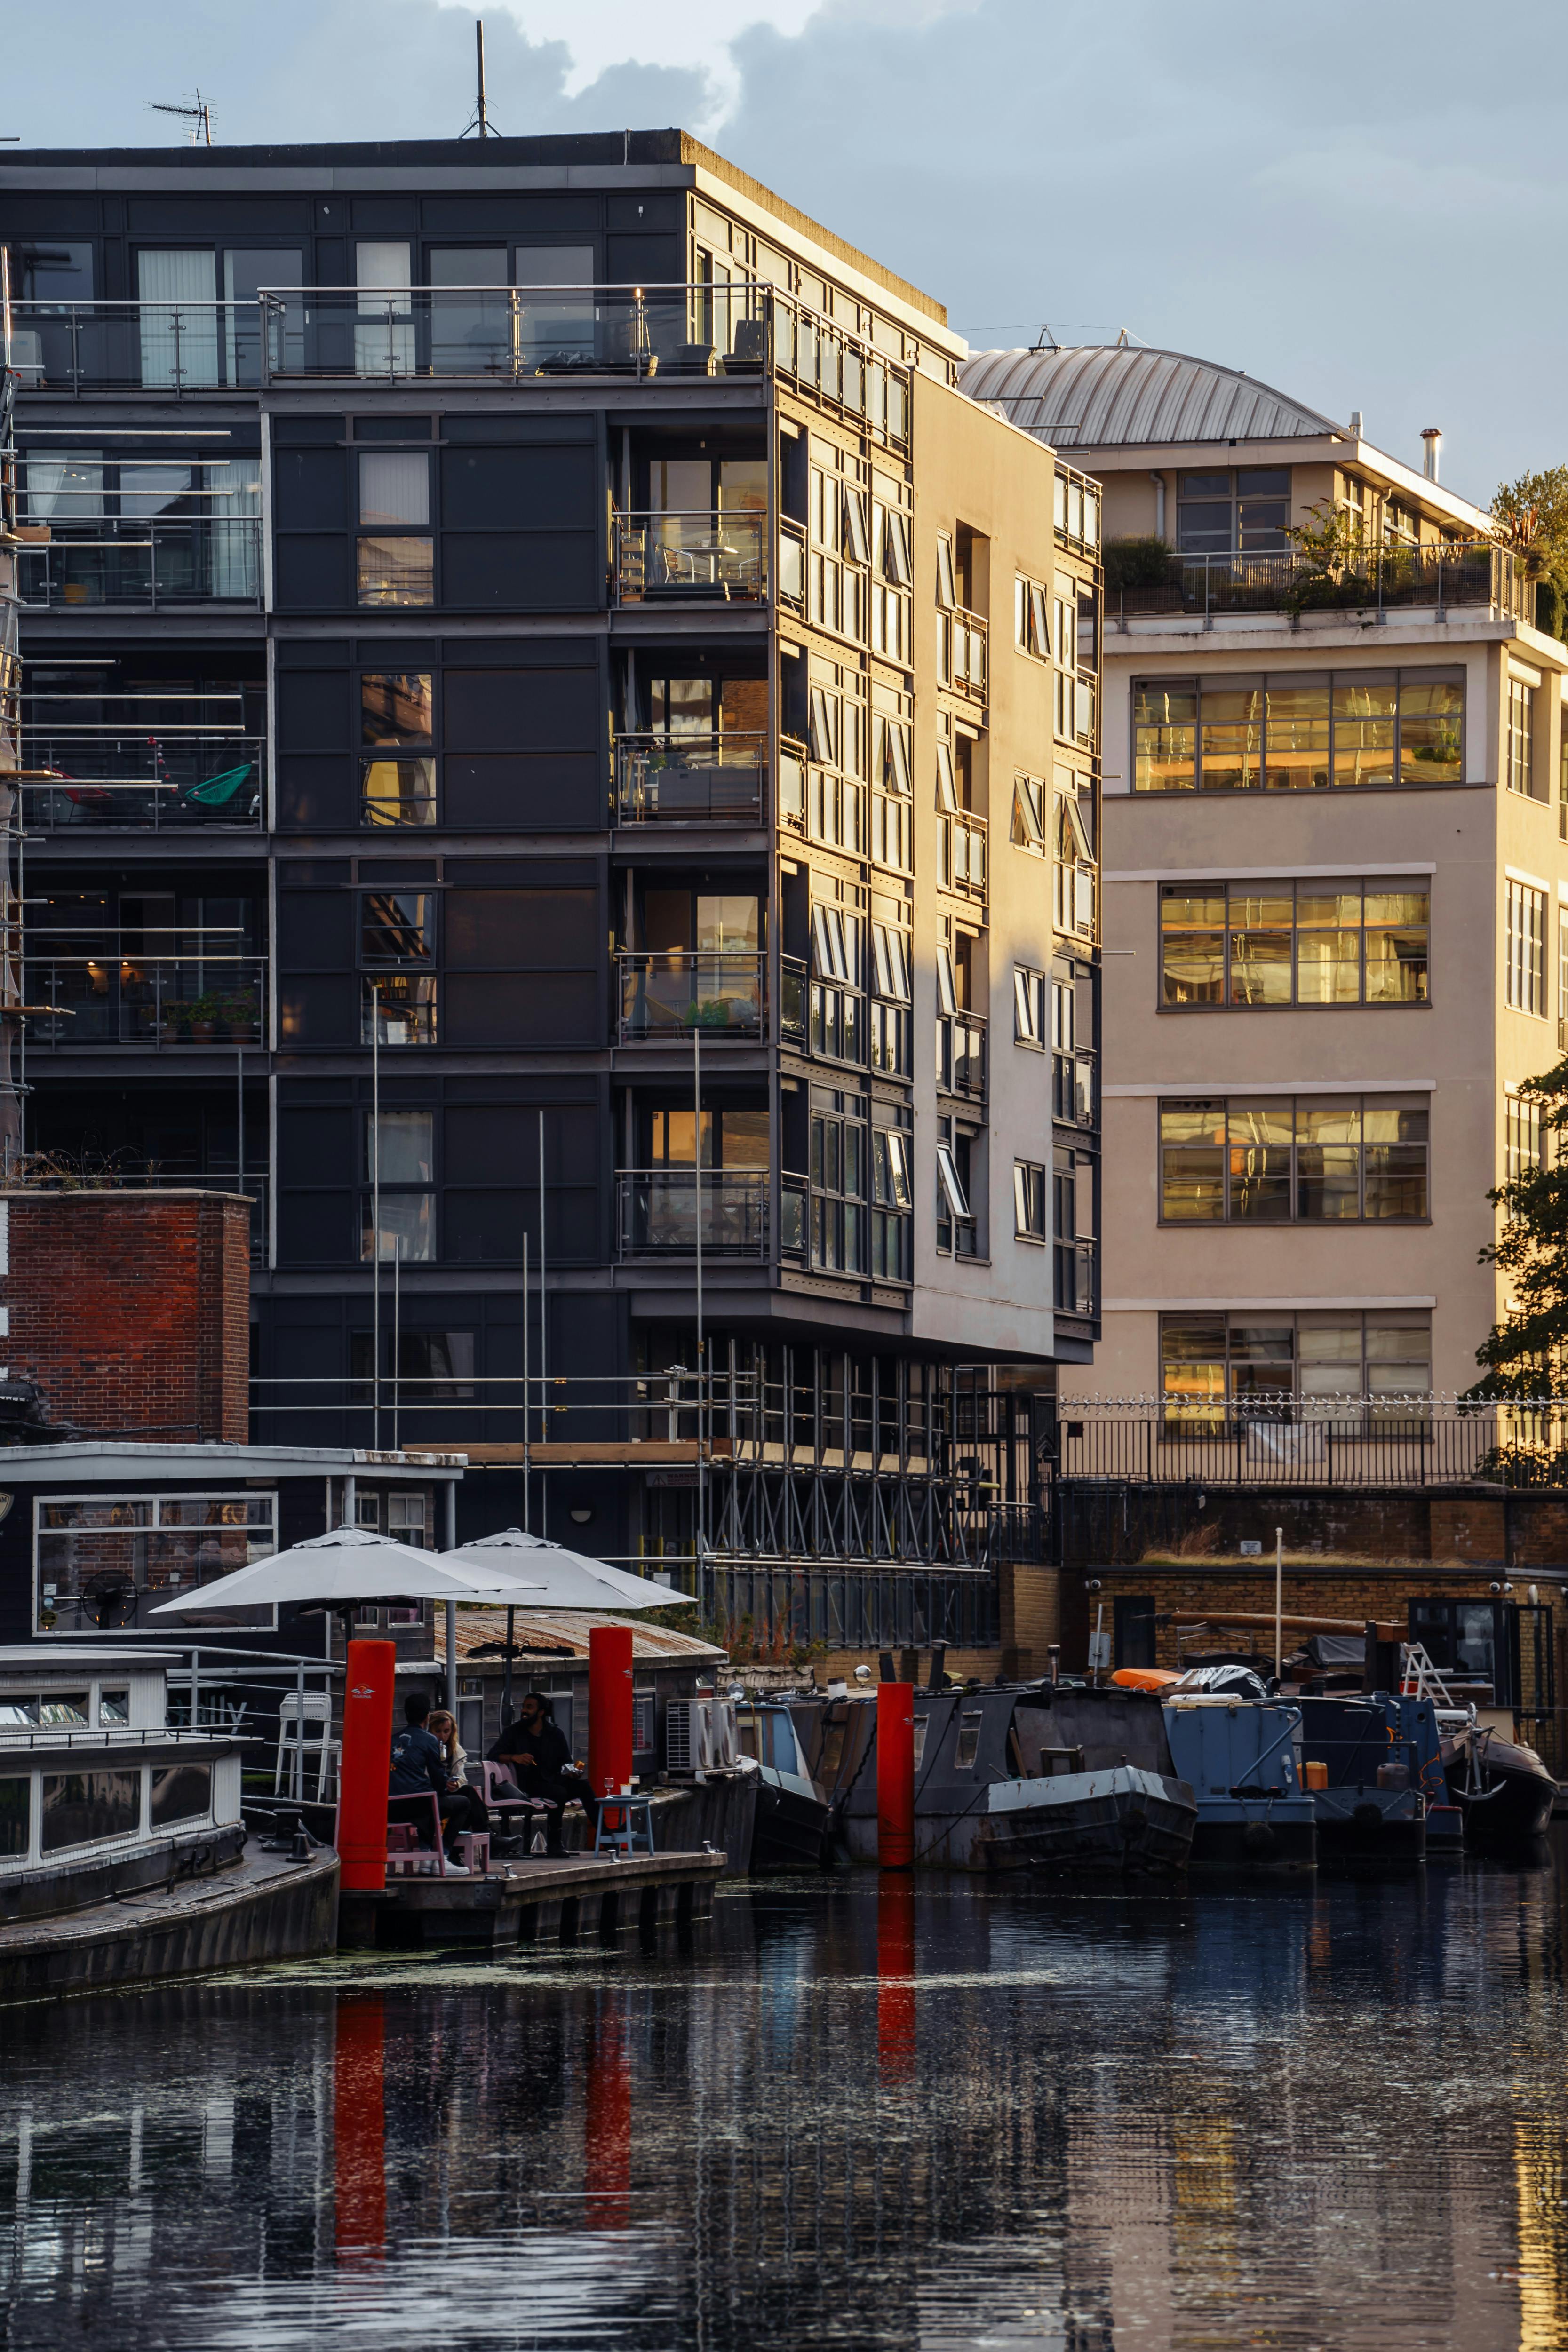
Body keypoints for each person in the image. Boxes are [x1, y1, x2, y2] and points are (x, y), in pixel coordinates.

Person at [489, 1691, 593, 1854]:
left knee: (584, 1786)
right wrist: (514, 1757)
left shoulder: (555, 1733)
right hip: (529, 1784)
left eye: (529, 1707)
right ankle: (554, 1842)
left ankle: (605, 1830)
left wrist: (573, 1772)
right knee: (559, 1793)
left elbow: (566, 1762)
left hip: (554, 1779)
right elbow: (494, 1754)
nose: (525, 1711)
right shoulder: (514, 1732)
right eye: (524, 1707)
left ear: (541, 1712)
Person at [389, 1691, 469, 1869]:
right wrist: (444, 1788)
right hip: (418, 1806)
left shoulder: (391, 1740)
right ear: (427, 1717)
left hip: (390, 1808)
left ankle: (426, 1855)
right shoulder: (429, 1740)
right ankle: (444, 1856)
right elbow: (438, 1777)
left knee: (428, 1799)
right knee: (461, 1803)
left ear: (406, 1715)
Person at [427, 1707, 490, 1846]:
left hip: (449, 1793)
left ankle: (485, 1833)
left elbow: (461, 1777)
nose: (442, 1736)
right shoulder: (426, 1748)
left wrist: (455, 1784)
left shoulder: (455, 1749)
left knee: (467, 1792)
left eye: (446, 1732)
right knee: (466, 1801)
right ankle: (488, 1836)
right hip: (431, 1794)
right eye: (438, 1732)